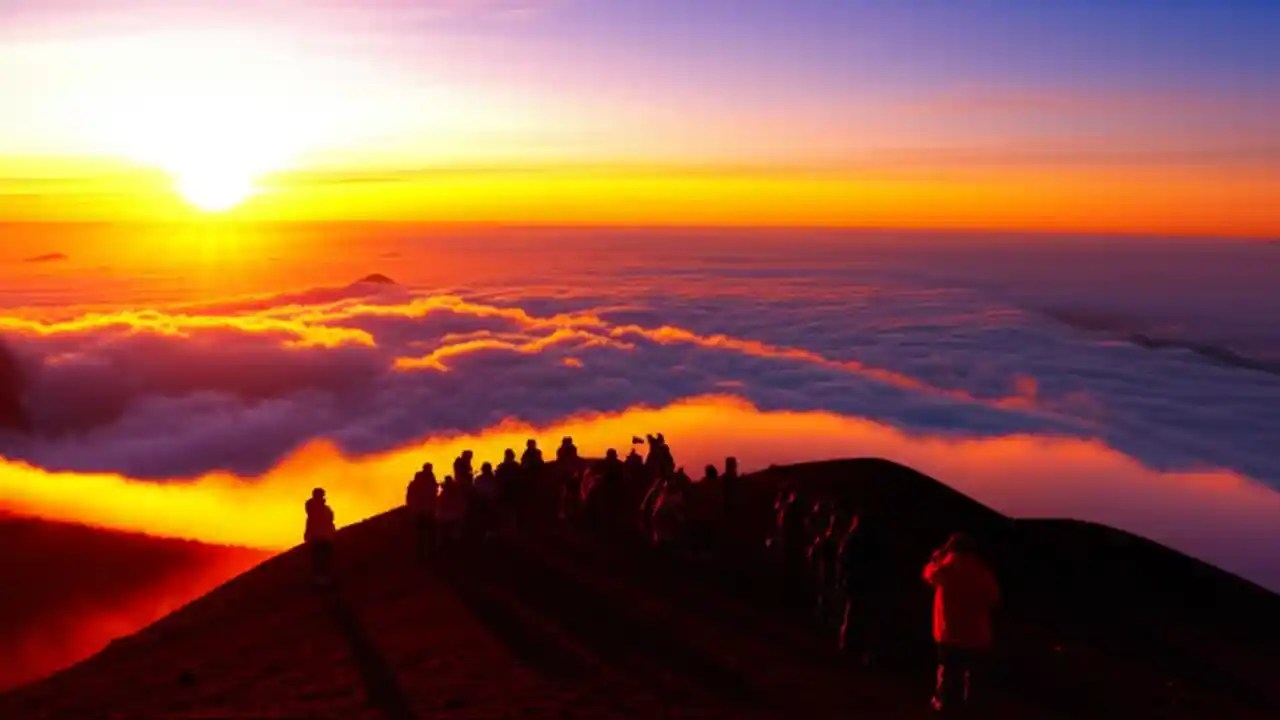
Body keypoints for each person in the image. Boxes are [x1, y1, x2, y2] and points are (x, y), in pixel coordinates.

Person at [923, 533, 1000, 715]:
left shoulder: (945, 569)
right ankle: (971, 706)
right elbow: (994, 598)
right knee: (972, 673)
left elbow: (927, 573)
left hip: (948, 632)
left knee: (948, 670)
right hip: (976, 634)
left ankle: (944, 704)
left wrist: (937, 558)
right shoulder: (982, 571)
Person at [405, 463, 438, 560]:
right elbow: (432, 493)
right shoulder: (428, 479)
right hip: (425, 511)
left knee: (422, 535)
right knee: (426, 534)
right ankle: (426, 554)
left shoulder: (419, 481)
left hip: (422, 511)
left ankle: (422, 555)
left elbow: (410, 497)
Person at [304, 488, 337, 581]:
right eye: (321, 495)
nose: (323, 497)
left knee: (323, 559)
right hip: (319, 538)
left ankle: (323, 577)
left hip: (324, 538)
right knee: (319, 560)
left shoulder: (322, 508)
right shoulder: (315, 508)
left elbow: (330, 520)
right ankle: (320, 578)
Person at [436, 476, 468, 549]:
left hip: (447, 518)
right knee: (453, 537)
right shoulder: (456, 494)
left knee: (445, 537)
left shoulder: (444, 494)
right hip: (451, 518)